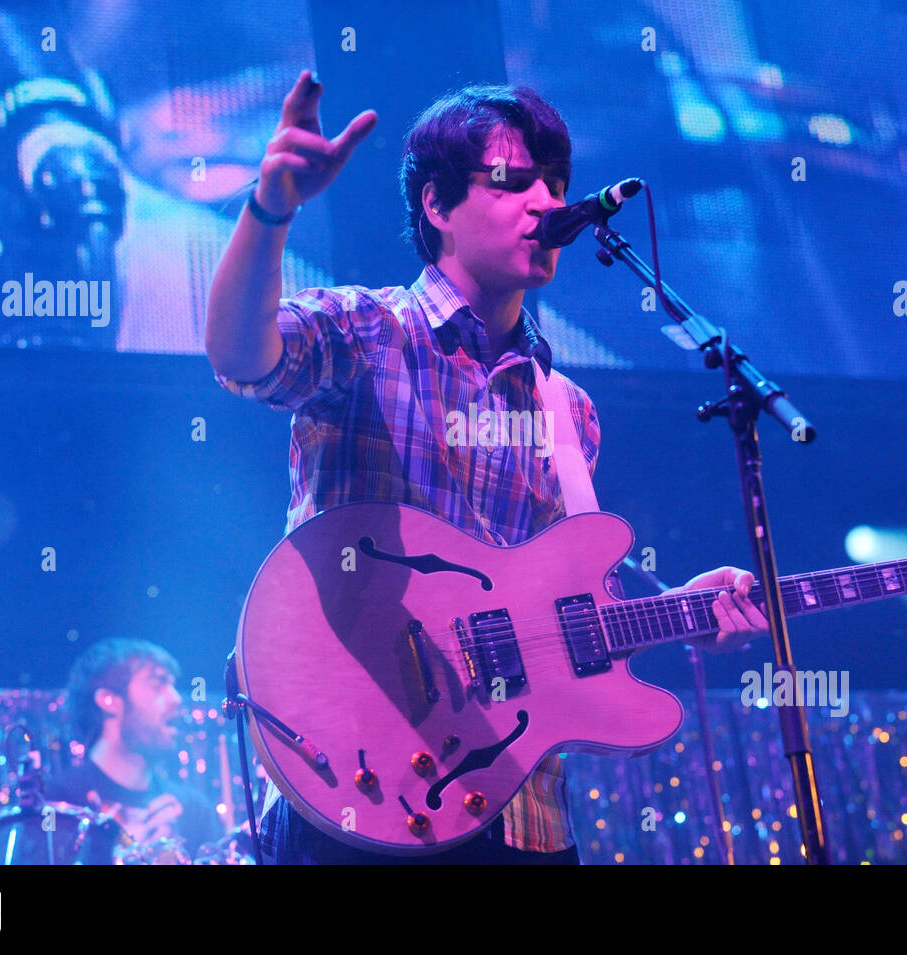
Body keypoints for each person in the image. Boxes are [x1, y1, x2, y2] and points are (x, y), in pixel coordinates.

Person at [205, 70, 768, 864]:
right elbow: (239, 355)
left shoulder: (566, 409)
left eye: (554, 183)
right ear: (436, 205)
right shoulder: (369, 332)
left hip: (517, 810)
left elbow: (563, 616)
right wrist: (271, 208)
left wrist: (678, 609)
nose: (543, 200)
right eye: (510, 181)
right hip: (356, 786)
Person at [47, 638, 222, 856]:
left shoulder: (194, 810)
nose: (176, 698)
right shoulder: (58, 803)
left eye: (173, 686)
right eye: (158, 685)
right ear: (109, 700)